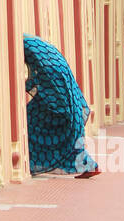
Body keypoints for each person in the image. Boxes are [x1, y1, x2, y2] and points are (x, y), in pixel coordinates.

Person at [22, 33, 99, 178]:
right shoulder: (38, 46)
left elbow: (38, 75)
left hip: (57, 89)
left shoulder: (26, 47)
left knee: (30, 121)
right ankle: (85, 164)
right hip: (63, 87)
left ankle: (32, 163)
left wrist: (26, 85)